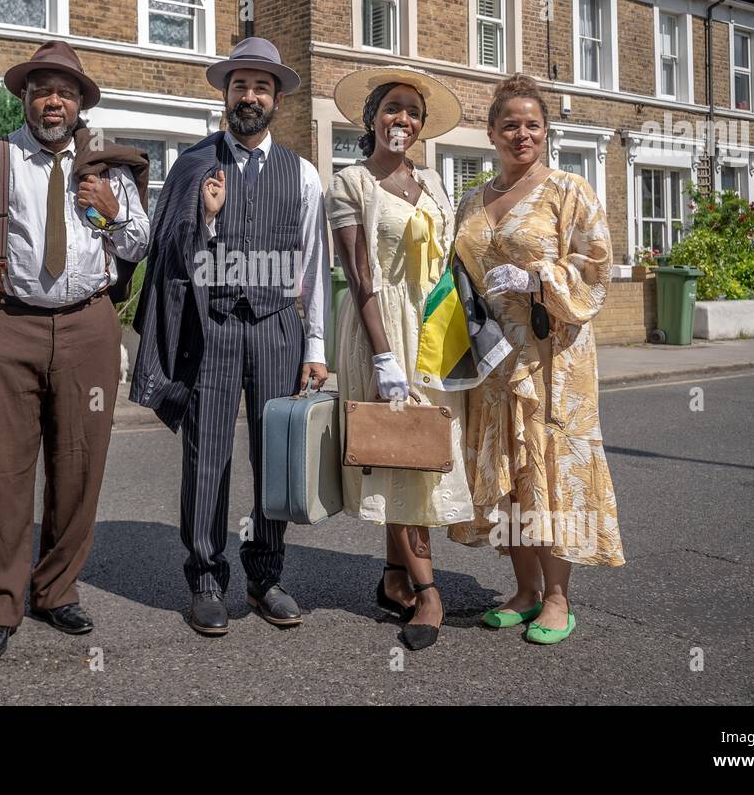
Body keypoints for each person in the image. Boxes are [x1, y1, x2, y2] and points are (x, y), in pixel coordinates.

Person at [0, 41, 150, 662]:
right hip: (9, 323)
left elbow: (139, 242)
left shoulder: (111, 168)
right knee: (2, 469)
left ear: (80, 103)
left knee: (80, 466)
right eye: (42, 89)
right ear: (25, 98)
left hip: (90, 326)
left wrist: (109, 212)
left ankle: (56, 589)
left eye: (66, 91)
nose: (54, 100)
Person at [130, 37, 330, 637]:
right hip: (212, 329)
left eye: (261, 87)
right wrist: (208, 219)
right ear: (225, 94)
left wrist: (315, 347)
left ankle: (265, 576)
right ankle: (206, 579)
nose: (250, 96)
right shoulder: (194, 164)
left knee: (276, 457)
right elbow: (170, 257)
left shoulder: (303, 174)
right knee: (207, 455)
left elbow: (315, 265)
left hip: (275, 327)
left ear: (276, 100)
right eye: (240, 85)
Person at [447, 73, 625, 645]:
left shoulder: (570, 191)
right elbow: (458, 274)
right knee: (512, 474)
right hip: (494, 357)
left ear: (546, 132)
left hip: (554, 358)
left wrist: (537, 276)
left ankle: (556, 597)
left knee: (549, 465)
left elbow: (598, 268)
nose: (521, 134)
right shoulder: (474, 200)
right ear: (492, 132)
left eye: (532, 125)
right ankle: (523, 591)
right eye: (509, 125)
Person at [326, 68, 467, 652]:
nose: (401, 119)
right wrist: (385, 357)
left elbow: (445, 268)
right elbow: (360, 277)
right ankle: (429, 590)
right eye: (391, 109)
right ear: (370, 118)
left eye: (412, 111)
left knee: (415, 454)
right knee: (403, 458)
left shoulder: (434, 183)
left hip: (431, 332)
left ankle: (393, 576)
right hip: (377, 332)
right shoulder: (349, 184)